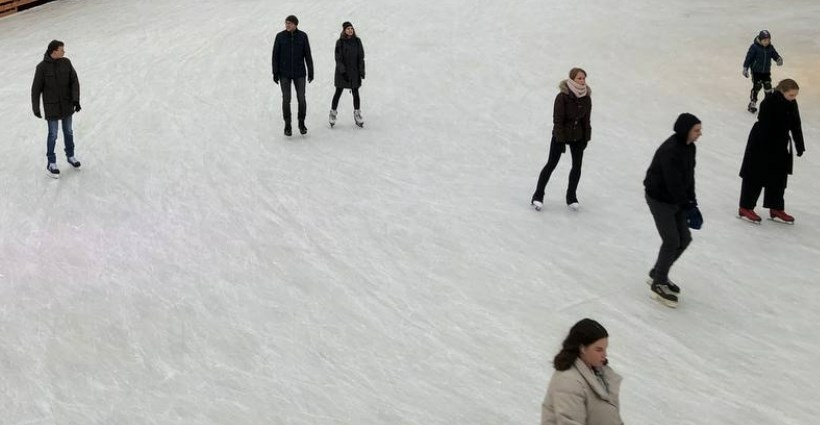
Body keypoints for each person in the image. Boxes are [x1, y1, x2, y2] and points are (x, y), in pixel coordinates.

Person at [643, 113, 703, 308]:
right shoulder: (671, 150)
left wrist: (692, 201)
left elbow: (688, 176)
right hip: (659, 198)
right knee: (671, 240)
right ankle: (658, 282)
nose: (699, 134)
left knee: (684, 239)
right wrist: (686, 205)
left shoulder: (689, 148)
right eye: (696, 130)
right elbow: (672, 182)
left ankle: (658, 272)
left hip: (676, 200)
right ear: (686, 130)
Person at [738, 79, 805, 224]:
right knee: (755, 175)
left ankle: (776, 208)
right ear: (782, 91)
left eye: (795, 95)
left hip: (780, 144)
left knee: (779, 177)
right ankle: (745, 207)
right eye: (791, 95)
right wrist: (766, 148)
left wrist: (800, 145)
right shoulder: (769, 102)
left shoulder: (792, 103)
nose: (794, 98)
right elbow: (765, 126)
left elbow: (796, 124)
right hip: (761, 143)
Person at [540, 318, 623, 425]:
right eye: (599, 350)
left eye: (605, 349)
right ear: (582, 348)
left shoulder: (600, 376)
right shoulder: (568, 381)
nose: (604, 354)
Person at [531, 68, 592, 211]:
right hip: (561, 135)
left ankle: (571, 197)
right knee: (551, 164)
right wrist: (560, 139)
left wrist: (585, 138)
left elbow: (586, 120)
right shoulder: (562, 97)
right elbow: (557, 120)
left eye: (584, 78)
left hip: (578, 137)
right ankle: (538, 196)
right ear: (572, 79)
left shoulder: (586, 97)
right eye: (579, 78)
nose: (582, 81)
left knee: (577, 167)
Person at [31, 39, 82, 178]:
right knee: (53, 134)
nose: (64, 52)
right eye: (61, 49)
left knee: (69, 131)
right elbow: (36, 89)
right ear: (54, 51)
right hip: (52, 107)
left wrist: (76, 100)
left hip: (66, 105)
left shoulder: (66, 62)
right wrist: (36, 108)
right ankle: (51, 162)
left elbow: (74, 81)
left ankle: (71, 156)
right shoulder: (41, 68)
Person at [272, 15, 314, 136]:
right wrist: (275, 72)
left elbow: (308, 54)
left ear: (296, 24)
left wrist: (311, 71)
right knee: (286, 99)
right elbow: (275, 55)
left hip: (300, 73)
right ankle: (287, 125)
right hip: (284, 73)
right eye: (286, 23)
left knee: (301, 98)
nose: (287, 25)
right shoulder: (280, 36)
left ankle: (301, 123)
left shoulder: (303, 36)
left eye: (289, 23)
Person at [329, 21, 366, 128]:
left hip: (354, 73)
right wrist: (343, 71)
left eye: (351, 28)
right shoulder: (340, 42)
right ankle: (333, 113)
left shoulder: (357, 41)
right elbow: (338, 58)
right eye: (348, 29)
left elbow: (361, 57)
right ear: (344, 31)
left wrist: (361, 71)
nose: (350, 30)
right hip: (342, 73)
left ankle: (357, 113)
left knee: (355, 92)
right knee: (338, 92)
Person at [743, 30, 783, 113]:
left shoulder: (770, 47)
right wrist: (745, 68)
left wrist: (778, 59)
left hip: (766, 71)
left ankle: (768, 104)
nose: (767, 42)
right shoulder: (754, 47)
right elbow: (748, 58)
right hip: (756, 71)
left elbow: (774, 54)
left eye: (768, 40)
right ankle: (753, 102)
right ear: (760, 40)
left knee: (768, 87)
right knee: (757, 86)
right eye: (765, 40)